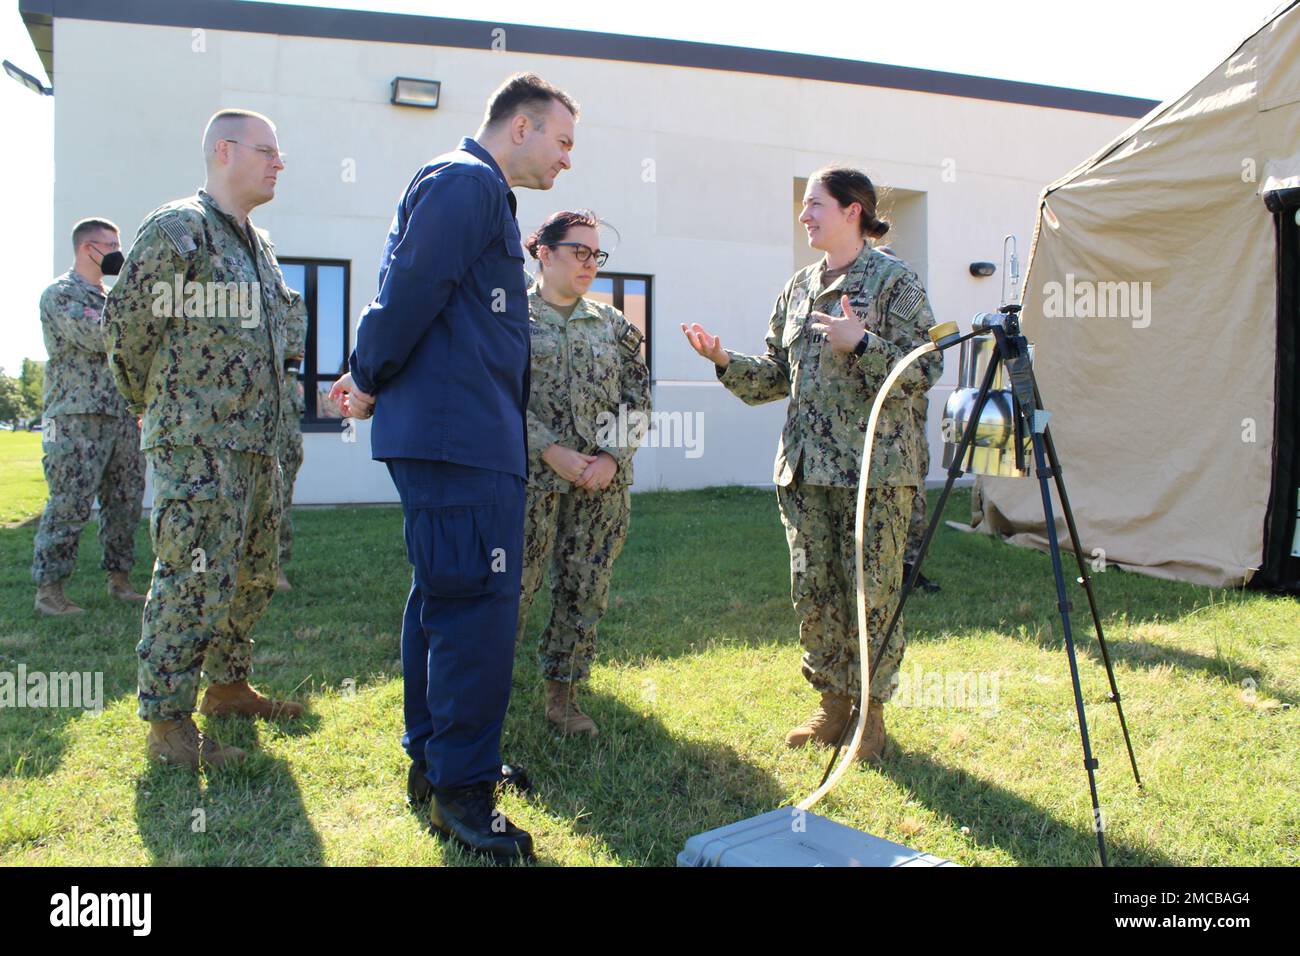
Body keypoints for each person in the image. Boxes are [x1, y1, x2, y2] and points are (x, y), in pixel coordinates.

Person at [329, 72, 579, 864]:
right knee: (475, 607)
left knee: (447, 595)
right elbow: (409, 288)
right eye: (562, 142)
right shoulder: (466, 181)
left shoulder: (477, 190)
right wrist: (367, 374)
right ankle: (463, 794)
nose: (567, 161)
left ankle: (440, 761)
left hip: (464, 436)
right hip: (455, 437)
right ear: (520, 128)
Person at [682, 165, 942, 762]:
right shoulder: (798, 287)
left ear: (854, 210)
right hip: (805, 475)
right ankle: (833, 705)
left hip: (873, 475)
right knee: (815, 594)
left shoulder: (893, 282)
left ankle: (871, 717)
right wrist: (724, 359)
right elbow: (776, 376)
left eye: (815, 204)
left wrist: (865, 345)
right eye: (804, 205)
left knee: (869, 596)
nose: (805, 216)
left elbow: (927, 369)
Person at [104, 108, 304, 771]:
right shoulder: (178, 231)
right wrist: (155, 407)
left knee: (250, 578)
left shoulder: (260, 245)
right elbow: (130, 329)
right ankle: (167, 726)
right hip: (197, 445)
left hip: (258, 448)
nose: (279, 163)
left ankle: (226, 687)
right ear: (224, 151)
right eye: (267, 151)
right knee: (190, 583)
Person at [516, 210, 650, 736]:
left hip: (600, 486)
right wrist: (549, 449)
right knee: (512, 590)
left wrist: (613, 457)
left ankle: (564, 693)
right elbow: (494, 397)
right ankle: (482, 695)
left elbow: (637, 397)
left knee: (586, 585)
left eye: (597, 255)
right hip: (528, 481)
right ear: (543, 252)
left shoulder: (613, 324)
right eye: (579, 251)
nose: (590, 263)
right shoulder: (507, 318)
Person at [31, 218, 147, 615]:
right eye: (110, 244)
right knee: (69, 504)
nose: (118, 251)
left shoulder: (114, 298)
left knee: (126, 502)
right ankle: (50, 590)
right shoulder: (60, 294)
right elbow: (100, 336)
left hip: (121, 416)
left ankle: (120, 581)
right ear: (87, 248)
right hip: (76, 419)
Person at [275, 290, 308, 592]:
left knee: (280, 487)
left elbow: (292, 345)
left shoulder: (290, 300)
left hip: (281, 408)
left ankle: (275, 565)